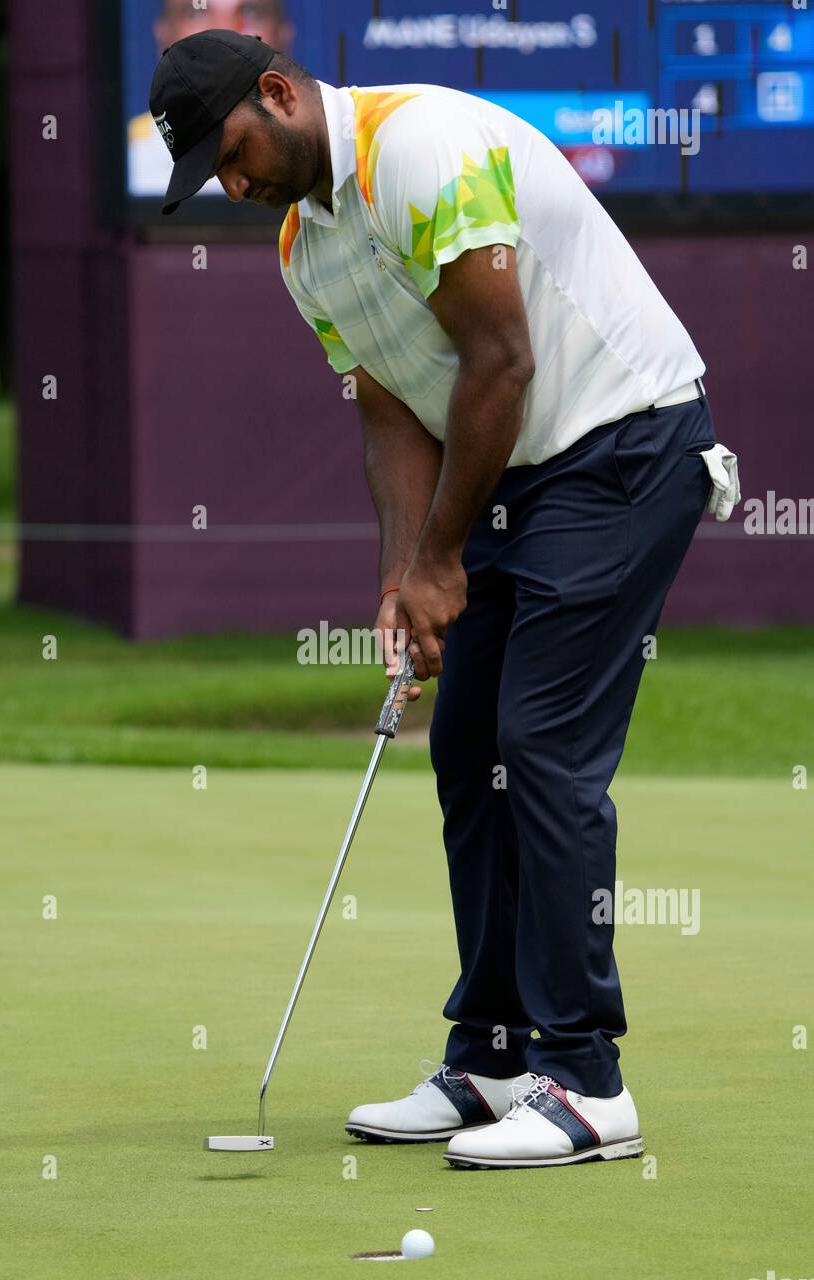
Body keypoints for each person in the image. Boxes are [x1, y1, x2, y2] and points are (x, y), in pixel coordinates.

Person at [150, 31, 740, 1170]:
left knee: (544, 745)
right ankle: (495, 1054)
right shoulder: (300, 244)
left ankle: (588, 1082)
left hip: (623, 445)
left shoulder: (417, 146)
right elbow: (388, 409)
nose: (235, 185)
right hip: (513, 469)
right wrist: (403, 574)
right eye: (212, 179)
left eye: (233, 152)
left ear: (277, 93)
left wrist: (441, 559)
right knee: (470, 748)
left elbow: (501, 361)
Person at [129, 0, 293, 197]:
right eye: (197, 12)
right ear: (163, 36)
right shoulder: (129, 157)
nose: (224, 32)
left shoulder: (321, 156)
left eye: (250, 12)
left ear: (284, 37)